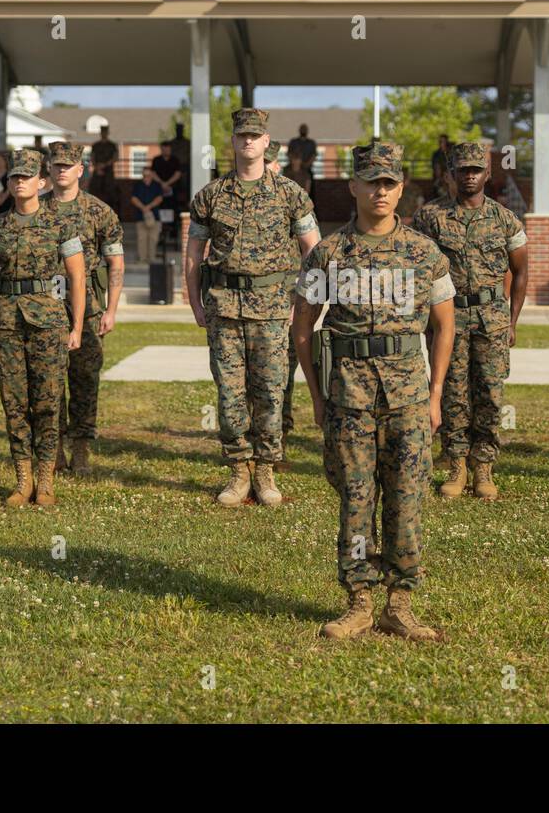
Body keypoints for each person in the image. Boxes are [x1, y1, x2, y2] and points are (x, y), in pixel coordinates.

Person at [292, 142, 455, 642]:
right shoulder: (329, 252)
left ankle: (399, 604)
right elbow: (303, 329)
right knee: (356, 500)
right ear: (354, 187)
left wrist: (434, 398)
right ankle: (359, 602)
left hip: (407, 398)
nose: (380, 191)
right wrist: (319, 399)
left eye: (389, 183)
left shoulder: (424, 252)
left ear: (401, 189)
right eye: (371, 181)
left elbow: (444, 328)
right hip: (349, 398)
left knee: (406, 500)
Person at [186, 108, 320, 507]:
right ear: (233, 142)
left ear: (266, 142)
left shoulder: (290, 193)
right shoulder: (210, 196)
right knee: (229, 394)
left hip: (275, 309)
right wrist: (194, 301)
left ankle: (265, 470)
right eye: (241, 135)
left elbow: (314, 252)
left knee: (270, 393)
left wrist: (306, 305)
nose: (247, 141)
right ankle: (239, 471)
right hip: (224, 308)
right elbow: (194, 254)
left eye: (255, 136)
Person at [413, 141, 528, 501]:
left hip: (491, 319)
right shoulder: (429, 218)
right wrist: (425, 322)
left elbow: (521, 271)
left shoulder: (505, 219)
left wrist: (512, 321)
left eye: (476, 170)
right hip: (449, 319)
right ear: (450, 175)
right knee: (452, 393)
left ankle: (484, 467)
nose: (469, 176)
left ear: (487, 174)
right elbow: (418, 273)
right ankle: (457, 464)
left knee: (491, 394)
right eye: (462, 170)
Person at [0, 149, 85, 507]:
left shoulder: (61, 226)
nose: (19, 181)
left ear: (43, 183)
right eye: (14, 177)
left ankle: (46, 479)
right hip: (7, 323)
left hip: (49, 324)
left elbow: (77, 278)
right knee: (14, 402)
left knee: (48, 401)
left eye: (27, 176)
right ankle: (23, 480)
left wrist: (77, 327)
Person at [45, 141, 125, 476]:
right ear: (49, 170)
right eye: (57, 165)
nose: (62, 170)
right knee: (49, 381)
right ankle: (54, 450)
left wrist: (111, 309)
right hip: (46, 306)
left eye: (69, 165)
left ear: (81, 170)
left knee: (84, 378)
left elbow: (116, 261)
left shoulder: (99, 211)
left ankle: (81, 449)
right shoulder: (36, 210)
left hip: (90, 307)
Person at [130, 164, 165, 264]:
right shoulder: (137, 185)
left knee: (153, 239)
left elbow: (159, 199)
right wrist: (143, 208)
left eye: (148, 175)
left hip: (155, 217)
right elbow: (133, 198)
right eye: (144, 175)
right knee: (141, 238)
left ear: (152, 175)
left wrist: (148, 207)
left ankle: (151, 259)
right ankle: (142, 259)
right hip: (140, 217)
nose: (146, 177)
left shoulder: (157, 185)